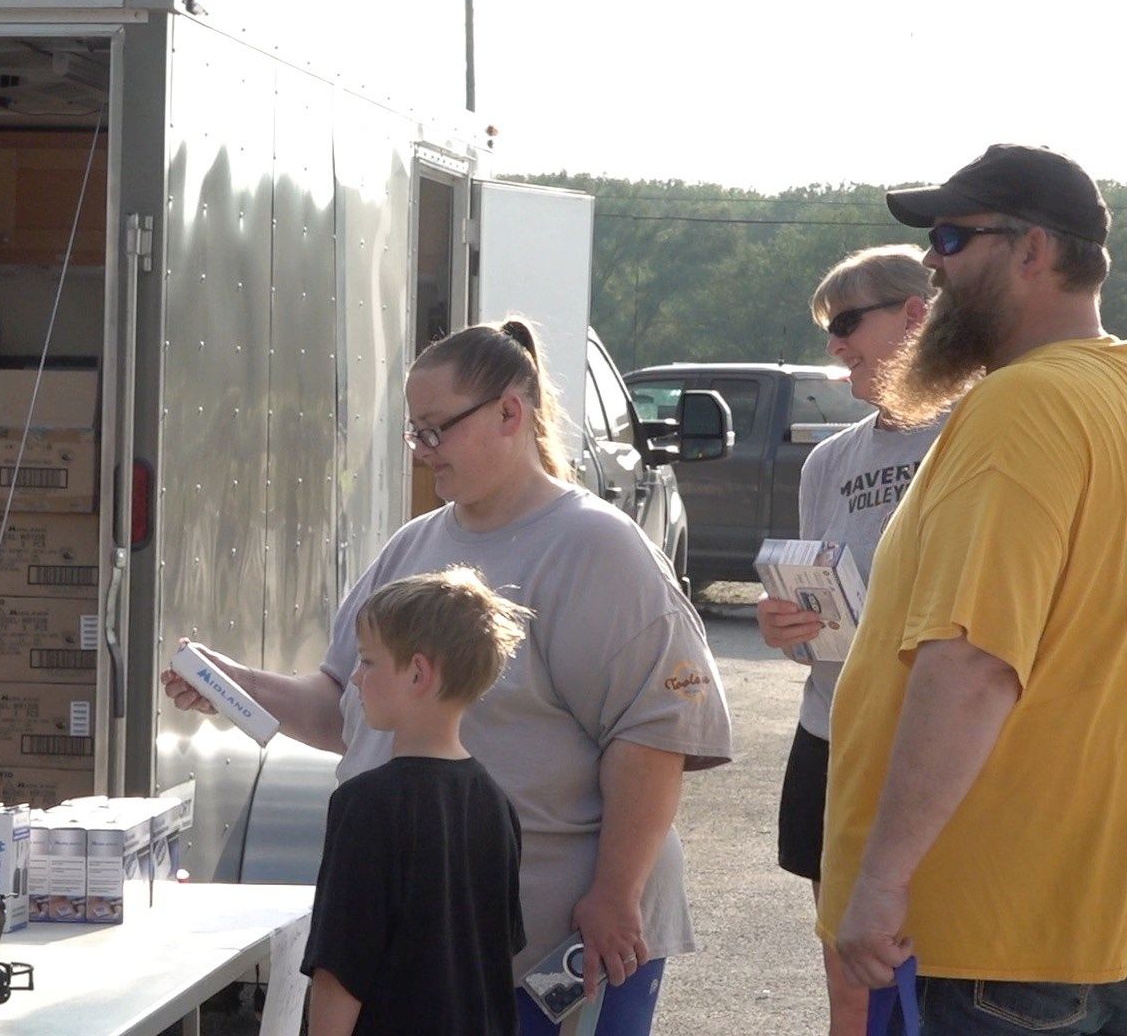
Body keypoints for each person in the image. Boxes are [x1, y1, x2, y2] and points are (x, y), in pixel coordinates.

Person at [164, 319, 734, 1034]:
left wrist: (616, 892)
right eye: (414, 432)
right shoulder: (416, 542)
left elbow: (655, 735)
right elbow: (348, 705)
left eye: (437, 430)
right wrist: (231, 683)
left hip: (562, 951)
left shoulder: (597, 548)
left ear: (509, 413)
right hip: (441, 959)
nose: (423, 451)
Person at [821, 144, 1127, 1032]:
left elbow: (975, 662)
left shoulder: (1022, 406)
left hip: (989, 943)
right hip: (1085, 926)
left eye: (953, 238)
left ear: (1033, 251)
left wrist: (882, 880)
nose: (933, 265)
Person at [753, 245, 943, 1035]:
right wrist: (787, 627)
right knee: (852, 994)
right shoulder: (829, 460)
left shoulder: (979, 432)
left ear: (916, 314)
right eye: (826, 328)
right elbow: (817, 606)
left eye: (847, 323)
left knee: (942, 983)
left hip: (936, 743)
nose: (834, 345)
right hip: (832, 736)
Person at [302, 567, 530, 1036]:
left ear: (418, 673)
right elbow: (496, 955)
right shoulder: (495, 803)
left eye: (367, 661)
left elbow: (342, 965)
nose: (355, 679)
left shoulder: (364, 805)